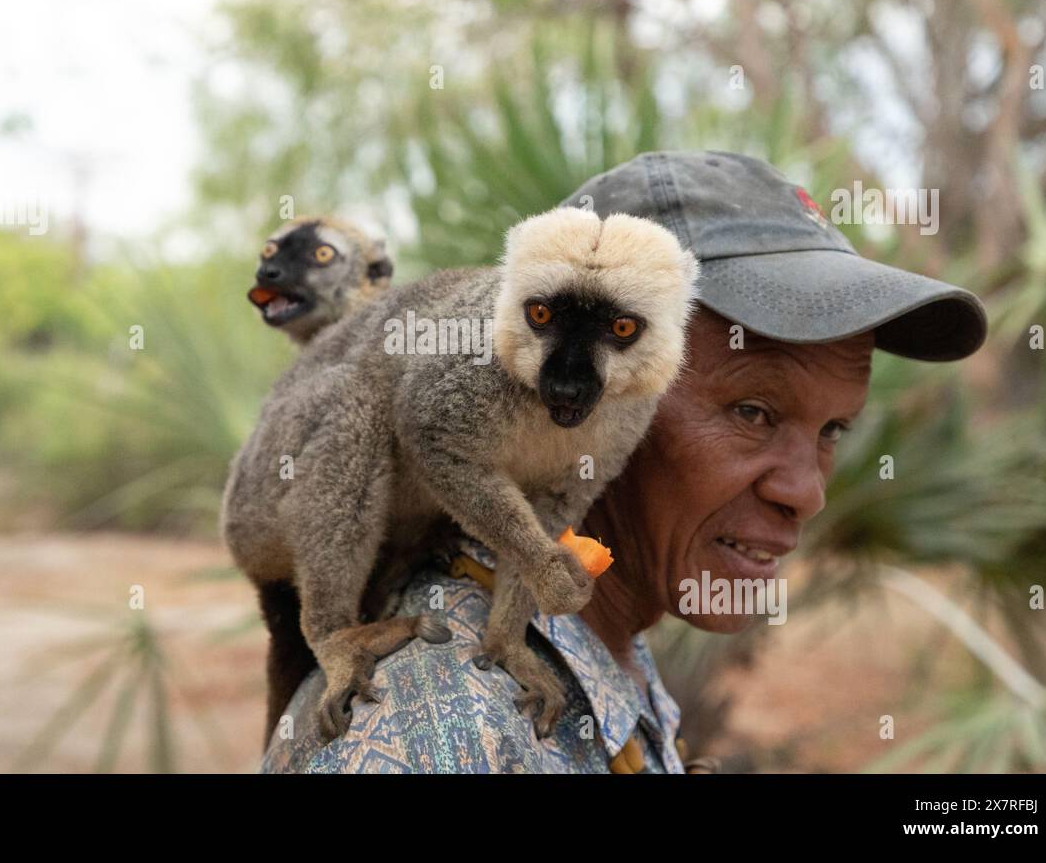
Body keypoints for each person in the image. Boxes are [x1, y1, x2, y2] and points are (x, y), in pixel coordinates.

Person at [261, 151, 987, 774]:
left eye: (834, 429)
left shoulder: (607, 654)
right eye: (752, 413)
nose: (807, 492)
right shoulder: (443, 721)